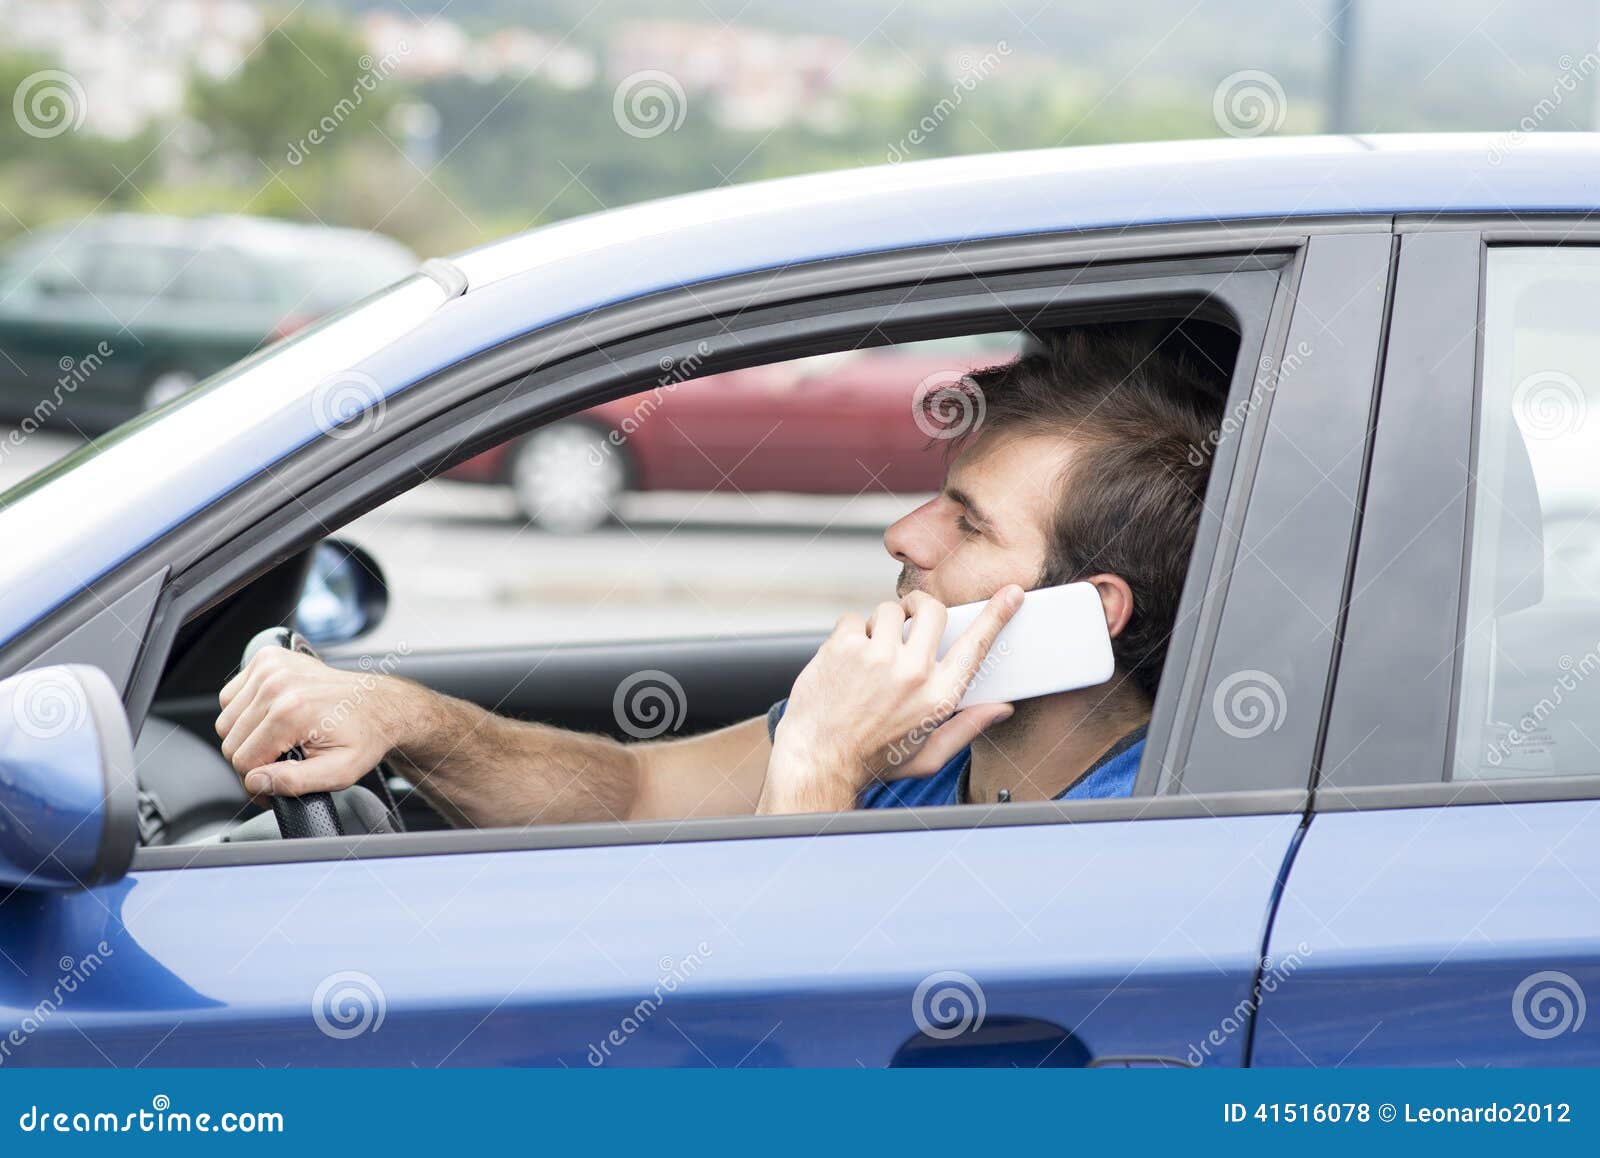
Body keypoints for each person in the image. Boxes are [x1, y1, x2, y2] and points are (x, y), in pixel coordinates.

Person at [215, 326, 1224, 824]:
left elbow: (805, 1040)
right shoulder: (902, 724)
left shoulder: (1135, 824)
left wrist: (822, 766)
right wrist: (407, 718)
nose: (905, 537)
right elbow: (636, 790)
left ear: (1084, 614)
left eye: (966, 522)